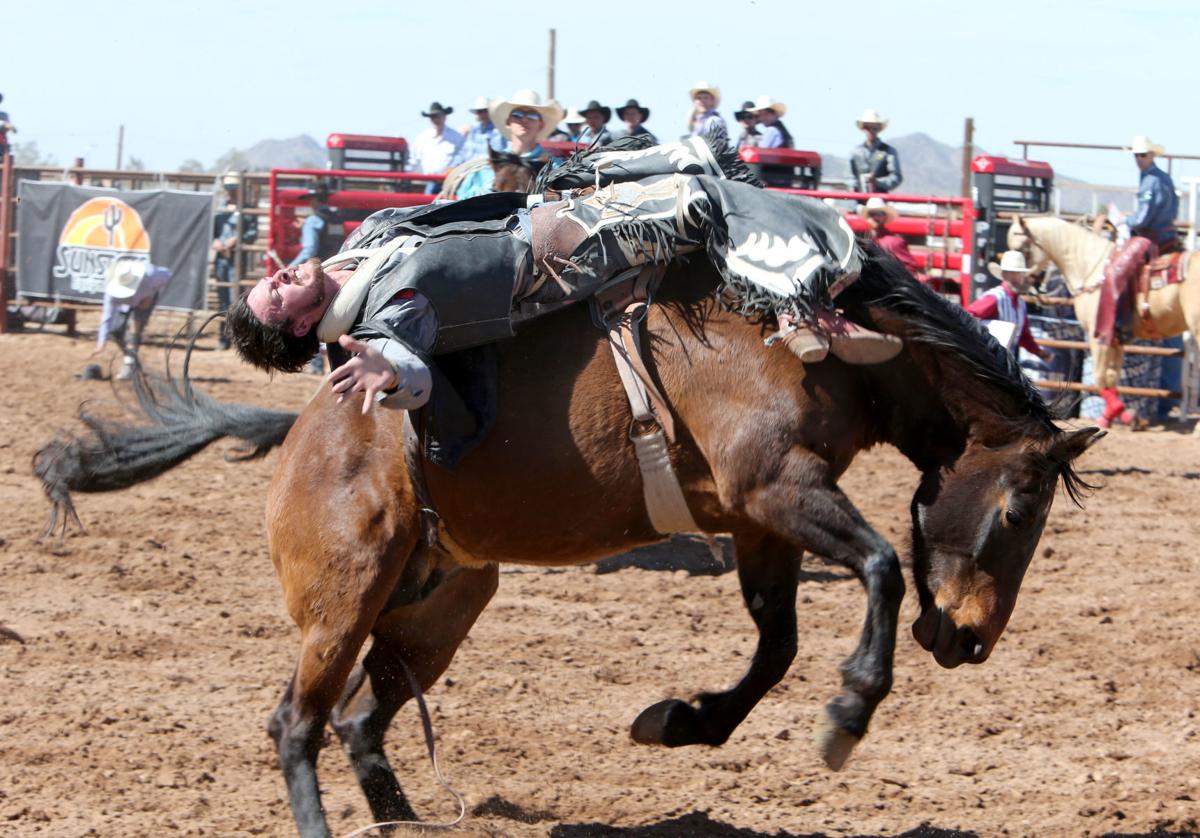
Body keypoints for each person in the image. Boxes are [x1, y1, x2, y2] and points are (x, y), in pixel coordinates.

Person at [225, 141, 899, 412]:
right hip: (561, 253)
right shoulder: (382, 316)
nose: (278, 275)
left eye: (271, 278)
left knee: (697, 157)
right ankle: (798, 306)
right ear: (304, 325)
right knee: (703, 198)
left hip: (546, 205)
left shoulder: (360, 246)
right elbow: (410, 366)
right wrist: (392, 374)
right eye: (277, 294)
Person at [453, 89, 563, 198]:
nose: (524, 119)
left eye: (532, 116)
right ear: (508, 122)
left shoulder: (555, 167)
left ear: (540, 124)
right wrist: (487, 189)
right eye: (517, 114)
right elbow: (463, 196)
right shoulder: (487, 167)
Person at [90, 256, 173, 380]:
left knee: (134, 329)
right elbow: (107, 316)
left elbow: (167, 275)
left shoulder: (150, 274)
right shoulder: (111, 293)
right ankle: (132, 360)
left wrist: (150, 295)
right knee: (116, 331)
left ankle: (129, 365)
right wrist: (101, 343)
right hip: (125, 304)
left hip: (144, 301)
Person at [966, 250, 1050, 360]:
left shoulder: (1020, 304)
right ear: (1004, 274)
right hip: (988, 357)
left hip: (1003, 359)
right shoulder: (995, 297)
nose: (1017, 278)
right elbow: (967, 316)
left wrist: (1039, 352)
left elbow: (1023, 336)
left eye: (1019, 273)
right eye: (1013, 273)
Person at [212, 173, 259, 348]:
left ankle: (236, 336)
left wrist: (238, 240)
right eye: (229, 188)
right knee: (223, 297)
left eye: (234, 188)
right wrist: (215, 242)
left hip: (237, 260)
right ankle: (223, 337)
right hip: (222, 259)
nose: (231, 191)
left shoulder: (248, 211)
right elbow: (212, 232)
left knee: (236, 298)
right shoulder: (220, 210)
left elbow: (252, 233)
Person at [1125, 135, 1180, 253]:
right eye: (1136, 155)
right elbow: (1174, 208)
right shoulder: (1165, 177)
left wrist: (1126, 220)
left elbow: (1142, 218)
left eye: (1142, 154)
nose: (1139, 159)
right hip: (1169, 234)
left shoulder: (1150, 181)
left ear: (1151, 155)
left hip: (1154, 237)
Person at [861, 197, 921, 279]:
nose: (875, 218)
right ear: (868, 218)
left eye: (879, 214)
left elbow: (911, 271)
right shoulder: (865, 240)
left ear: (885, 217)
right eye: (872, 214)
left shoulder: (894, 242)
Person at [409, 102, 463, 188]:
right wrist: (406, 176)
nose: (436, 120)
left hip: (449, 182)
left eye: (438, 116)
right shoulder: (423, 137)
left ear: (445, 117)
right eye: (433, 117)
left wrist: (451, 169)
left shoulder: (456, 137)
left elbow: (462, 158)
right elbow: (413, 161)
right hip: (428, 181)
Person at [848, 108, 902, 194]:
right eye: (867, 127)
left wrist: (877, 182)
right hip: (858, 197)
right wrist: (853, 188)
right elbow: (850, 177)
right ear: (863, 129)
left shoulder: (888, 151)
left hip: (880, 198)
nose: (871, 131)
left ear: (879, 129)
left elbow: (896, 177)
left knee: (875, 202)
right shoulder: (855, 152)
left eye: (874, 128)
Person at [288, 186, 343, 266]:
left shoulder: (312, 221)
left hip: (319, 266)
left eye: (310, 200)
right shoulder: (336, 219)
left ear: (315, 200)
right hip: (336, 264)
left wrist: (291, 267)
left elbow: (310, 250)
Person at [449, 96, 504, 166]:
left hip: (487, 166)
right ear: (477, 114)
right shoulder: (473, 131)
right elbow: (465, 152)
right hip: (470, 166)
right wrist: (453, 165)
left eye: (485, 111)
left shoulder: (498, 131)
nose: (483, 114)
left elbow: (497, 153)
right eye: (480, 112)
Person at [688, 82, 729, 148]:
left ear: (712, 100)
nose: (702, 101)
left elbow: (718, 148)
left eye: (706, 98)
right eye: (699, 98)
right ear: (695, 102)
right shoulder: (697, 122)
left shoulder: (715, 121)